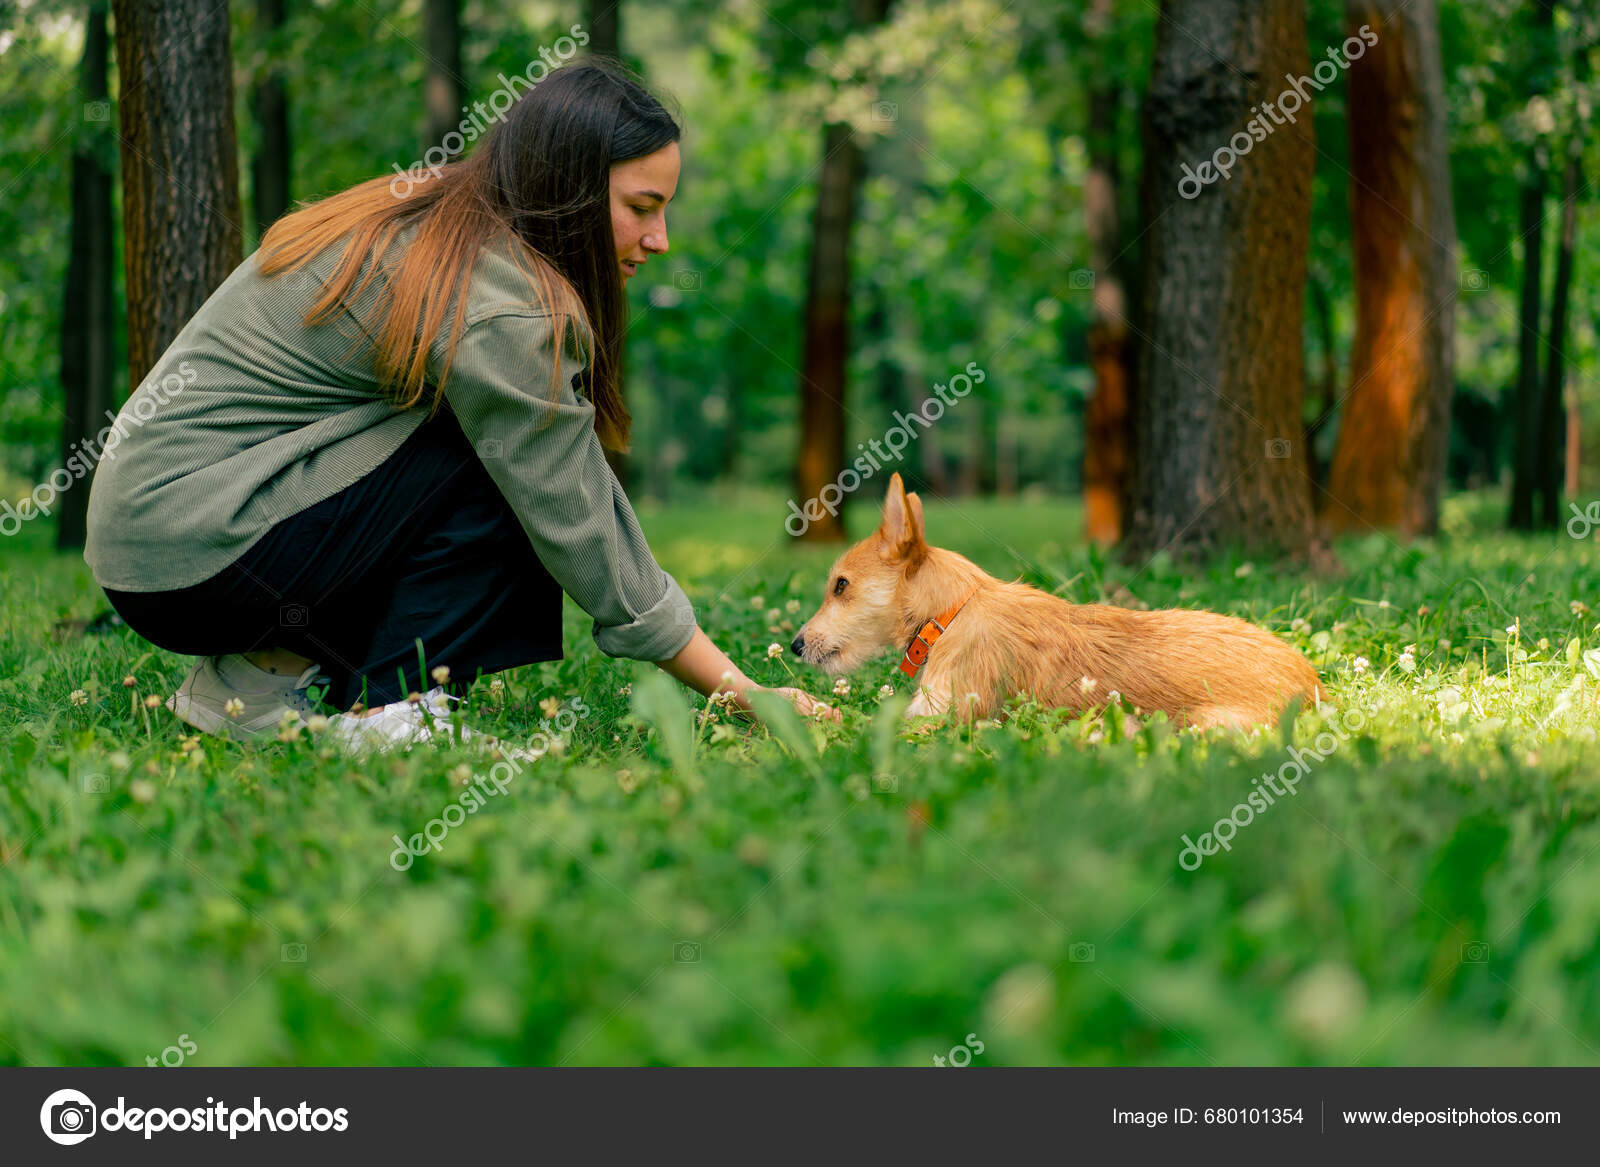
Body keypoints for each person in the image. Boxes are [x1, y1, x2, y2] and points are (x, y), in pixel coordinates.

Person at [82, 58, 830, 752]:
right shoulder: (502, 302)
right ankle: (394, 712)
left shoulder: (446, 223)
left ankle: (252, 684)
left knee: (488, 436)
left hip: (158, 546)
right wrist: (746, 692)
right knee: (498, 455)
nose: (660, 239)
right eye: (642, 207)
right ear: (568, 186)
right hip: (192, 546)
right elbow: (578, 519)